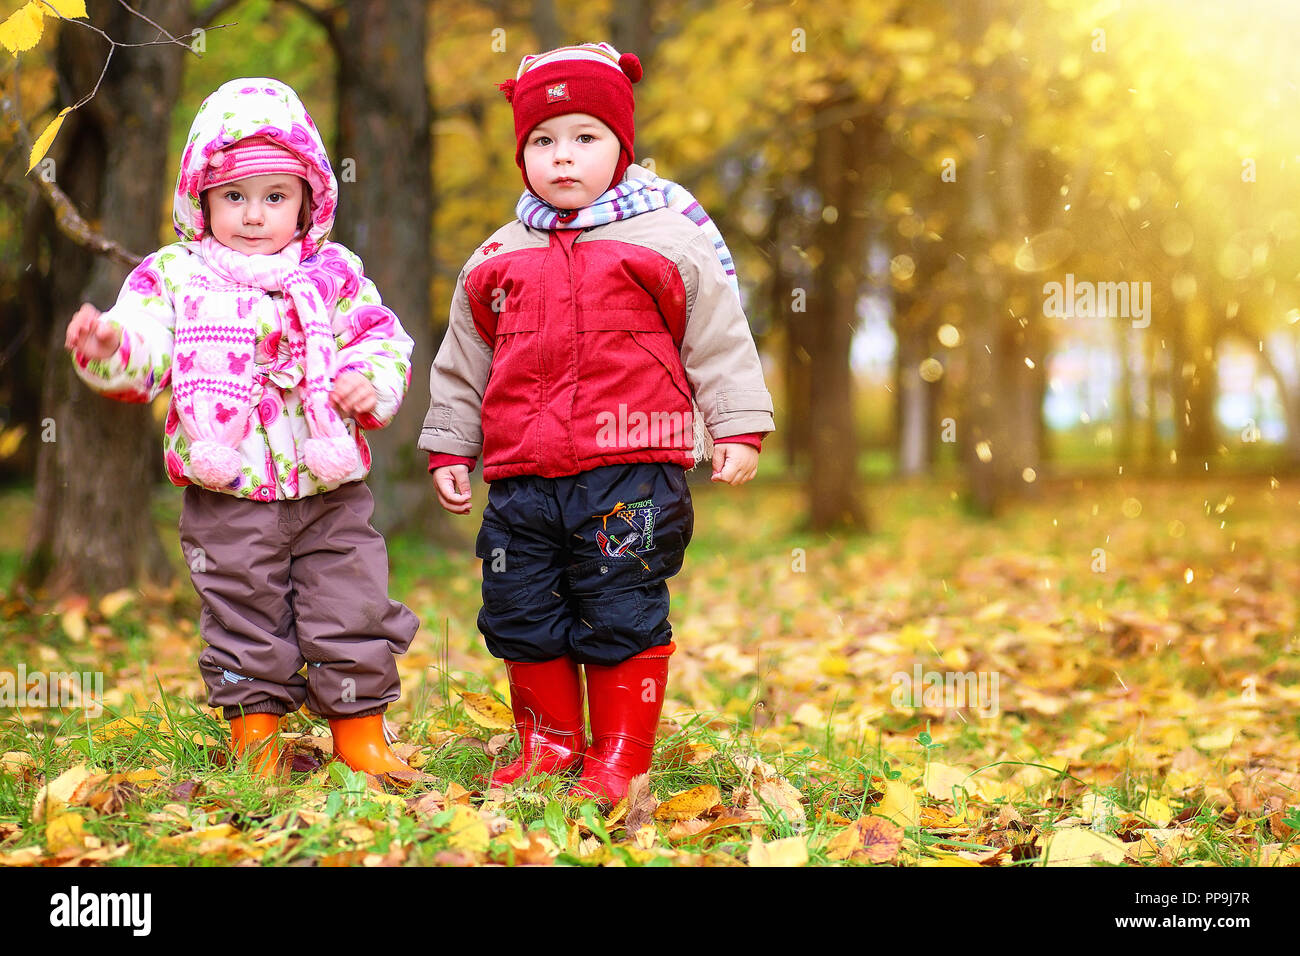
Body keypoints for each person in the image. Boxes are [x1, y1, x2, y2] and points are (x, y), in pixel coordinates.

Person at [419, 43, 774, 803]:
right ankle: (548, 742)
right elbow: (463, 360)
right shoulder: (494, 257)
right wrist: (450, 442)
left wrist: (737, 428)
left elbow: (717, 338)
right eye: (543, 141)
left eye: (586, 138)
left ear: (622, 146)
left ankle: (619, 754)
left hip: (632, 469)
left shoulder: (666, 243)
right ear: (522, 155)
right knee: (520, 607)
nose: (563, 158)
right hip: (521, 479)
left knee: (620, 606)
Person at [65, 78, 419, 778]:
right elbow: (148, 344)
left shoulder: (333, 274)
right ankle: (255, 738)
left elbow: (381, 338)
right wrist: (110, 345)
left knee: (352, 602)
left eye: (274, 197)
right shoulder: (176, 275)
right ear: (201, 197)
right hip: (228, 491)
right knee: (243, 613)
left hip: (329, 487)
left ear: (308, 199)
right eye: (234, 197)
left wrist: (367, 380)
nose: (254, 216)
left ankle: (361, 733)